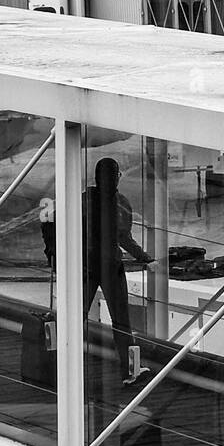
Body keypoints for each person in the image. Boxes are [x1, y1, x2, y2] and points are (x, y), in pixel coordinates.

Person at [82, 158, 154, 373]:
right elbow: (124, 238)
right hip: (111, 267)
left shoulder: (84, 201)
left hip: (85, 265)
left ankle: (65, 363)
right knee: (121, 321)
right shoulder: (120, 204)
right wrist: (144, 257)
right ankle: (130, 369)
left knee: (77, 316)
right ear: (116, 178)